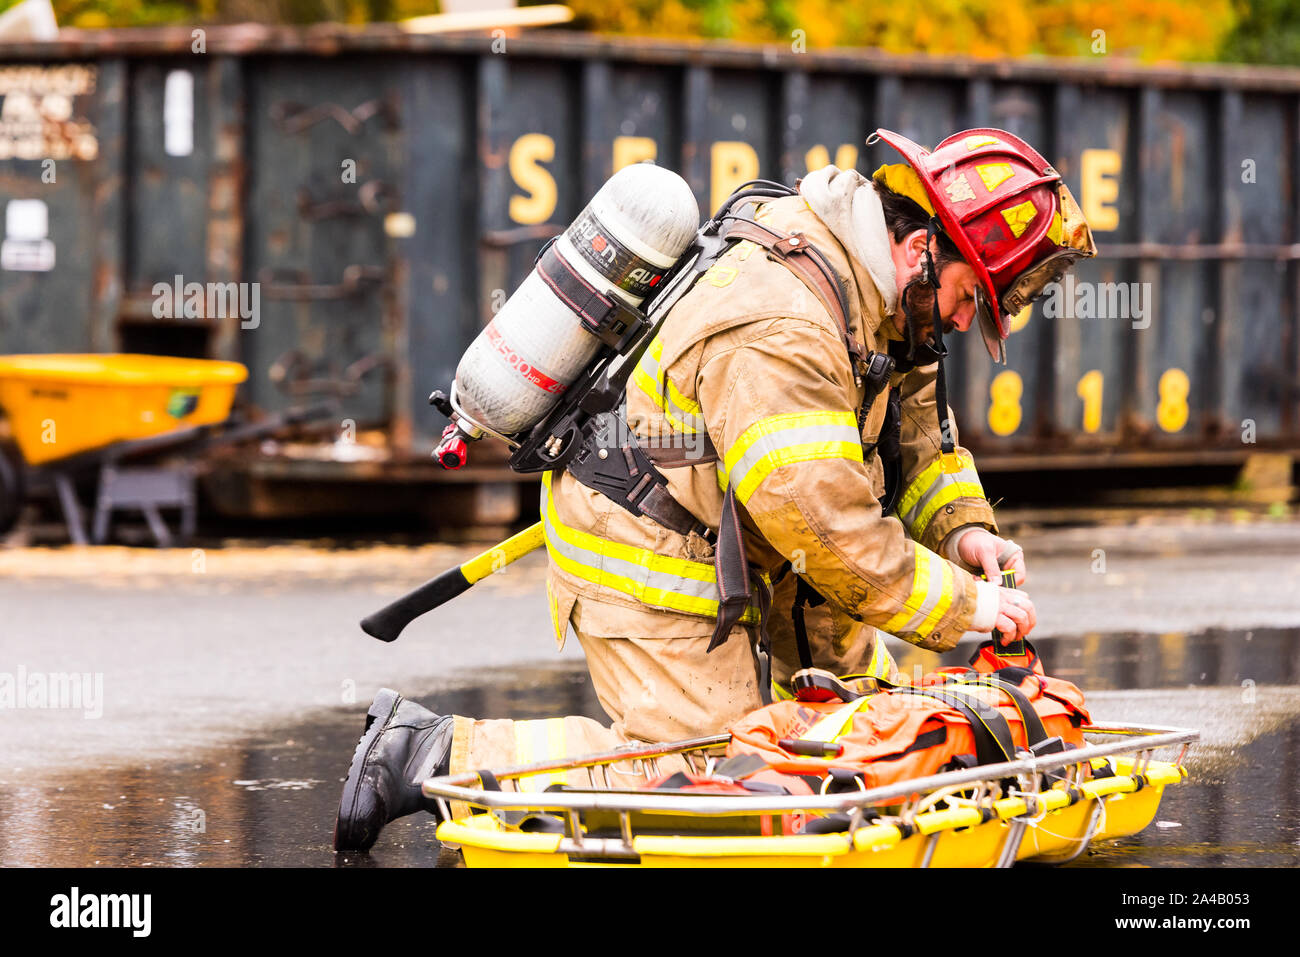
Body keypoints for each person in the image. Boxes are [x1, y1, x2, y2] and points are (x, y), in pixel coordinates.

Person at [334, 127, 1097, 852]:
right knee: (717, 782)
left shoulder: (895, 303)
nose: (969, 320)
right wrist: (972, 606)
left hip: (766, 541)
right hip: (653, 540)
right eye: (973, 296)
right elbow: (824, 525)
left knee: (855, 740)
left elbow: (917, 442)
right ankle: (433, 751)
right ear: (923, 247)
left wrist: (964, 530)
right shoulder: (784, 326)